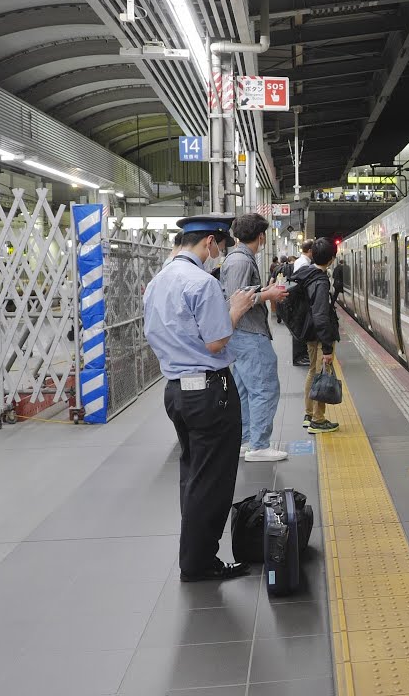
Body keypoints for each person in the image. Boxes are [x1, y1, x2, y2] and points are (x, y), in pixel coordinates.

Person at [143, 214, 256, 582]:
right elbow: (216, 340)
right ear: (210, 242)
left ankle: (194, 555)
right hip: (210, 393)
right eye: (218, 248)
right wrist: (236, 310)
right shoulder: (202, 283)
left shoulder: (155, 283)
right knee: (213, 480)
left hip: (176, 392)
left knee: (193, 475)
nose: (217, 255)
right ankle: (199, 563)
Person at [220, 213, 290, 463]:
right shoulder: (241, 261)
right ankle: (259, 445)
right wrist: (268, 295)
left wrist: (264, 291)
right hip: (249, 333)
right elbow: (237, 300)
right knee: (264, 388)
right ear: (261, 236)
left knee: (246, 389)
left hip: (242, 334)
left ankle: (247, 439)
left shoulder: (236, 258)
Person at [290, 238, 341, 434]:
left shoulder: (307, 273)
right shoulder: (320, 280)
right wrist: (327, 348)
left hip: (310, 333)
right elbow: (321, 315)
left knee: (313, 371)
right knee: (322, 374)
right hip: (319, 335)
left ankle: (309, 414)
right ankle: (318, 420)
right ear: (331, 259)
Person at [290, 241, 314, 366]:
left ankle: (301, 356)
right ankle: (299, 357)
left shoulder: (300, 261)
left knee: (299, 327)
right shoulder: (304, 264)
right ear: (310, 250)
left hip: (298, 299)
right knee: (300, 327)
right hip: (301, 299)